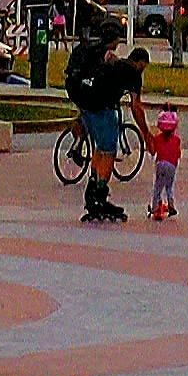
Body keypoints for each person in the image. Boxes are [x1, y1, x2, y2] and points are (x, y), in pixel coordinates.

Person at [64, 12, 144, 222]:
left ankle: (92, 194)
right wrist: (147, 135)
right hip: (102, 107)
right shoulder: (123, 67)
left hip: (84, 100)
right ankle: (100, 195)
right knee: (108, 150)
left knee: (100, 149)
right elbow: (136, 107)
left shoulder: (92, 51)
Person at [147, 104, 184, 223]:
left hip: (160, 164)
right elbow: (178, 154)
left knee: (158, 186)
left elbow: (153, 151)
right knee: (169, 187)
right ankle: (171, 205)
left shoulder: (157, 138)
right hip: (172, 166)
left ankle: (154, 207)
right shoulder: (177, 140)